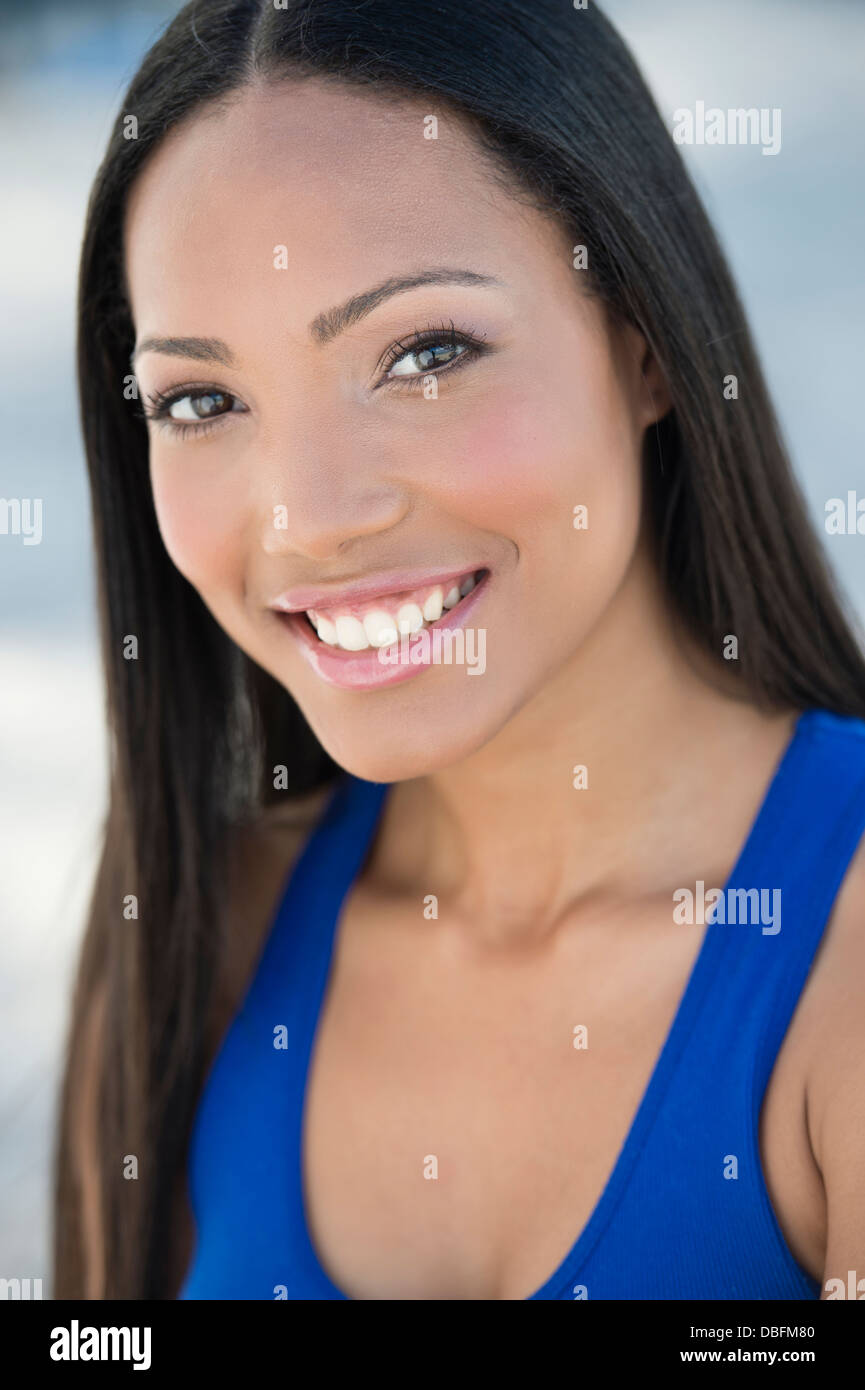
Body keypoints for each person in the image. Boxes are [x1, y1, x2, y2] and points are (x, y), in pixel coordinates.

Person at [54, 0, 865, 1300]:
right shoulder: (202, 926)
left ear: (646, 345)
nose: (312, 518)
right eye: (202, 399)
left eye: (425, 354)